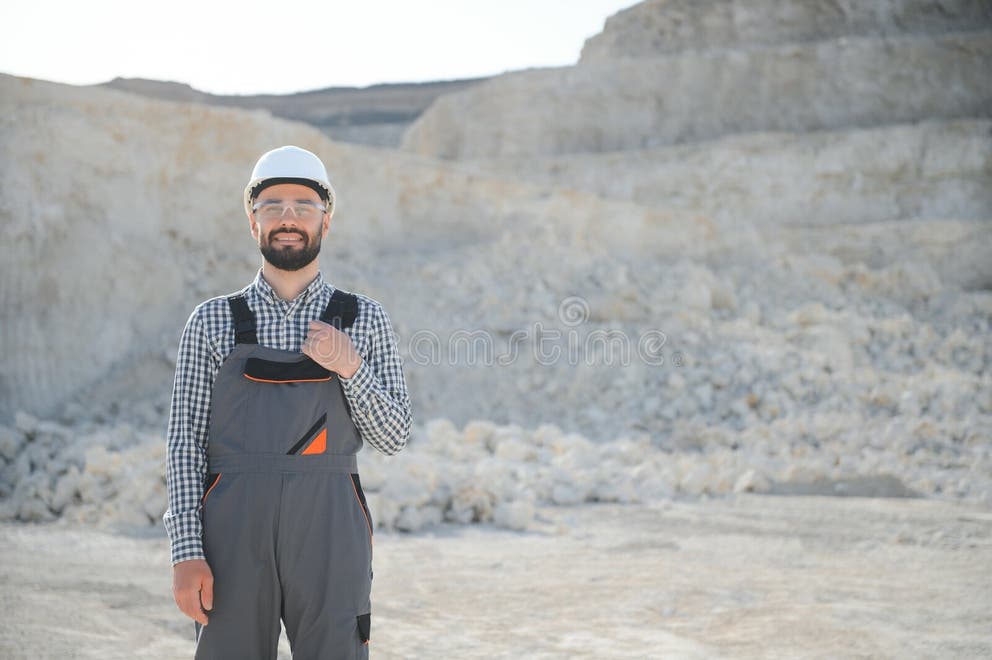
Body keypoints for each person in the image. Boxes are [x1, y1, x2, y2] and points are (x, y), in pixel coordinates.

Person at [163, 145, 411, 659]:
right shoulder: (211, 322)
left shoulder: (365, 319)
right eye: (272, 205)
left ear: (327, 219)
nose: (288, 217)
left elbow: (395, 436)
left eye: (304, 204)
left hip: (330, 527)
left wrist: (352, 369)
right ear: (252, 221)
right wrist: (186, 553)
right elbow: (184, 446)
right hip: (231, 534)